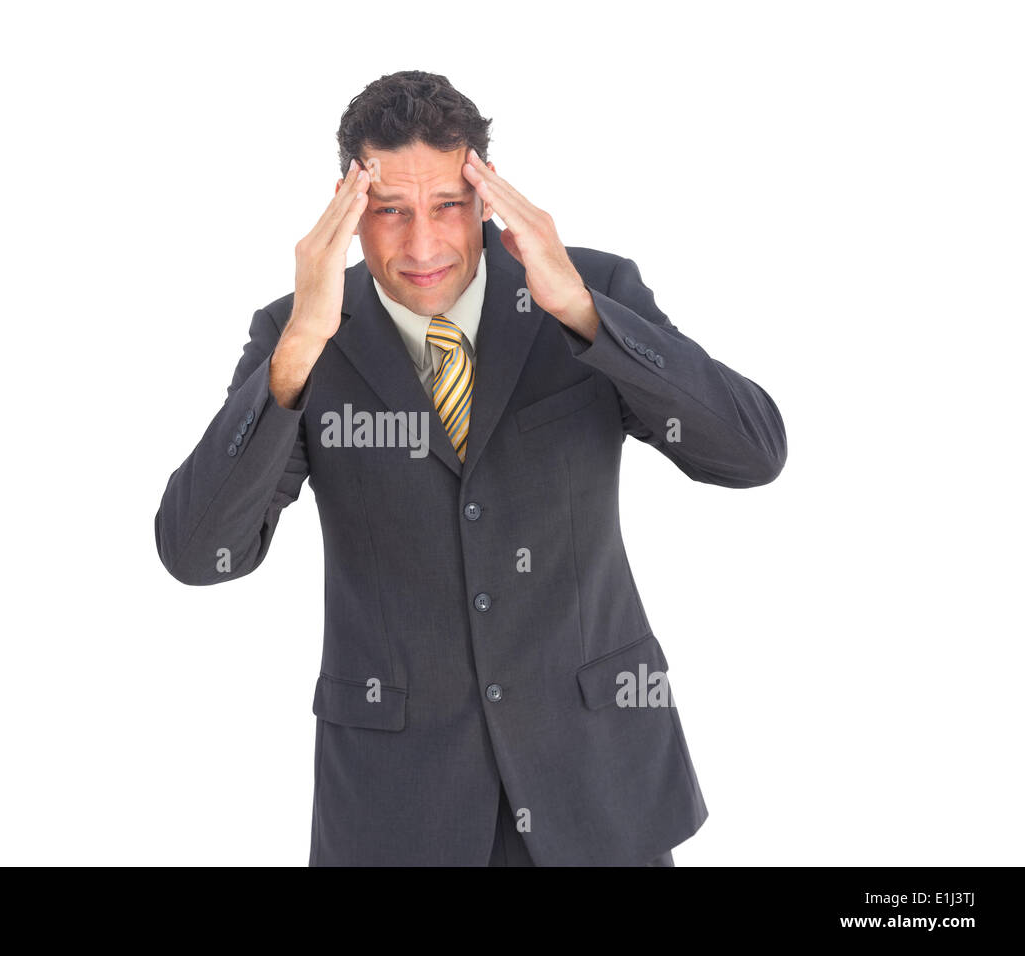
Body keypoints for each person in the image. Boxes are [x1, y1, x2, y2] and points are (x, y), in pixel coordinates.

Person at [154, 70, 787, 866]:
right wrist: (298, 354)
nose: (423, 246)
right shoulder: (298, 332)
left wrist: (587, 316)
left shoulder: (585, 292)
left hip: (594, 787)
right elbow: (198, 552)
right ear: (349, 213)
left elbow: (752, 453)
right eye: (390, 213)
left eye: (448, 206)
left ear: (484, 197)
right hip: (399, 811)